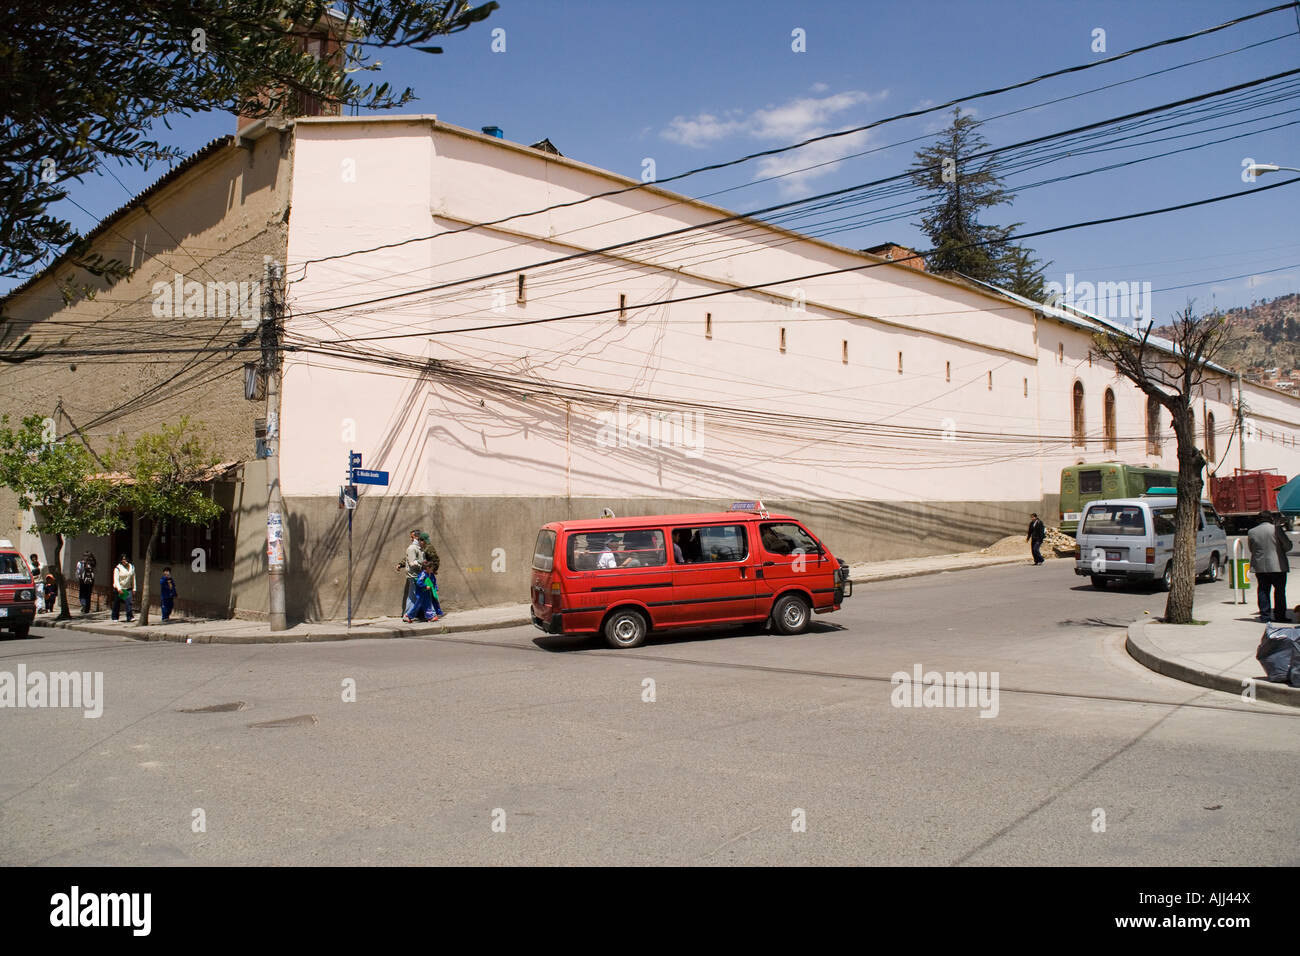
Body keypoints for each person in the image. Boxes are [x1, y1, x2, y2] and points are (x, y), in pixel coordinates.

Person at [1247, 512, 1291, 623]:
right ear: (1271, 518)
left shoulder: (1252, 531)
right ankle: (1280, 615)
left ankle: (1265, 616)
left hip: (1260, 566)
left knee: (1263, 590)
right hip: (1277, 566)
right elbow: (1288, 546)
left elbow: (1251, 548)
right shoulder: (1276, 529)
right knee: (1279, 591)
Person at [396, 530, 423, 616]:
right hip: (414, 574)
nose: (410, 539)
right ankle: (409, 614)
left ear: (416, 537)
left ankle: (410, 614)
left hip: (416, 574)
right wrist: (401, 564)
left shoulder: (419, 547)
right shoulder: (413, 548)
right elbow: (411, 560)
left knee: (413, 595)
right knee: (415, 595)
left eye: (412, 537)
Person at [111, 554, 135, 622]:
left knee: (129, 602)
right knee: (117, 603)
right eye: (123, 559)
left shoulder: (132, 567)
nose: (124, 561)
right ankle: (115, 617)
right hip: (120, 588)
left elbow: (133, 578)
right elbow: (116, 580)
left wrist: (134, 588)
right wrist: (119, 589)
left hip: (128, 588)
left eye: (125, 559)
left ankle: (129, 617)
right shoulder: (117, 568)